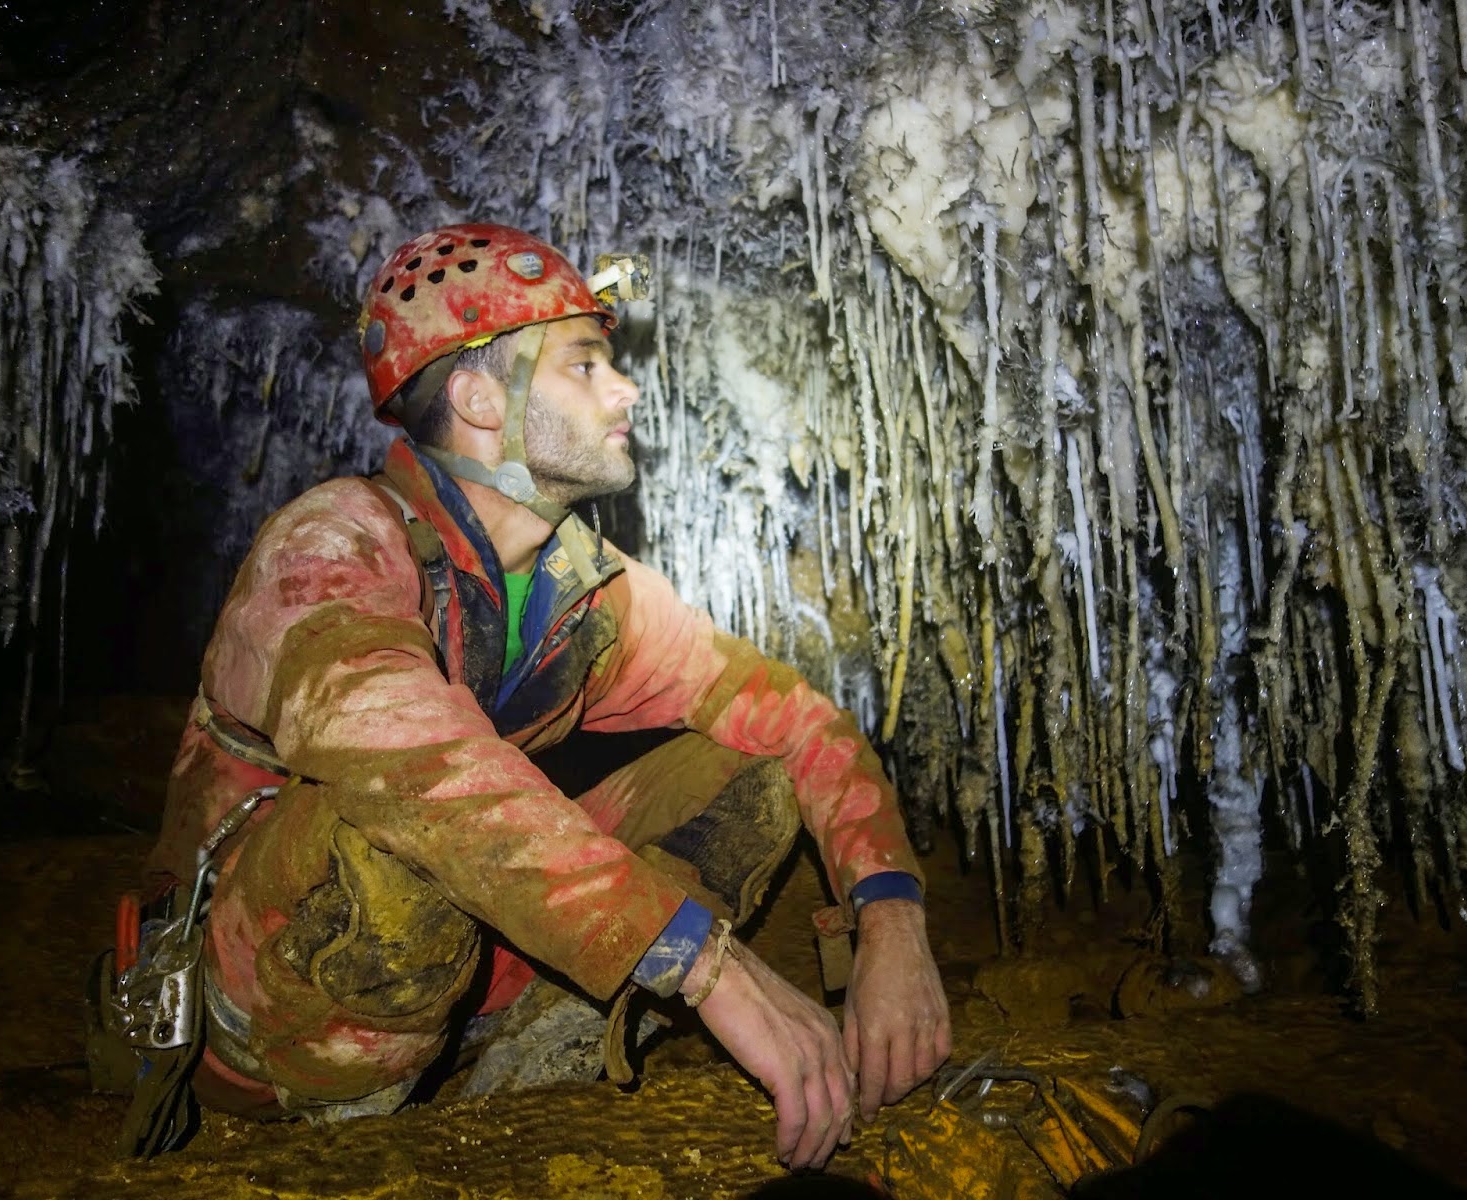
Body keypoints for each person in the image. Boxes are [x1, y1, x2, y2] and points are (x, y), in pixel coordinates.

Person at [136, 223, 949, 1169]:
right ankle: (353, 1139)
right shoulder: (329, 549)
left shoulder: (586, 591)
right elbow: (432, 777)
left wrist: (891, 914)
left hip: (466, 965)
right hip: (255, 991)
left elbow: (798, 719)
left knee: (752, 768)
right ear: (482, 398)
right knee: (395, 841)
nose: (626, 389)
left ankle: (541, 1046)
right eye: (586, 365)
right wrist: (708, 964)